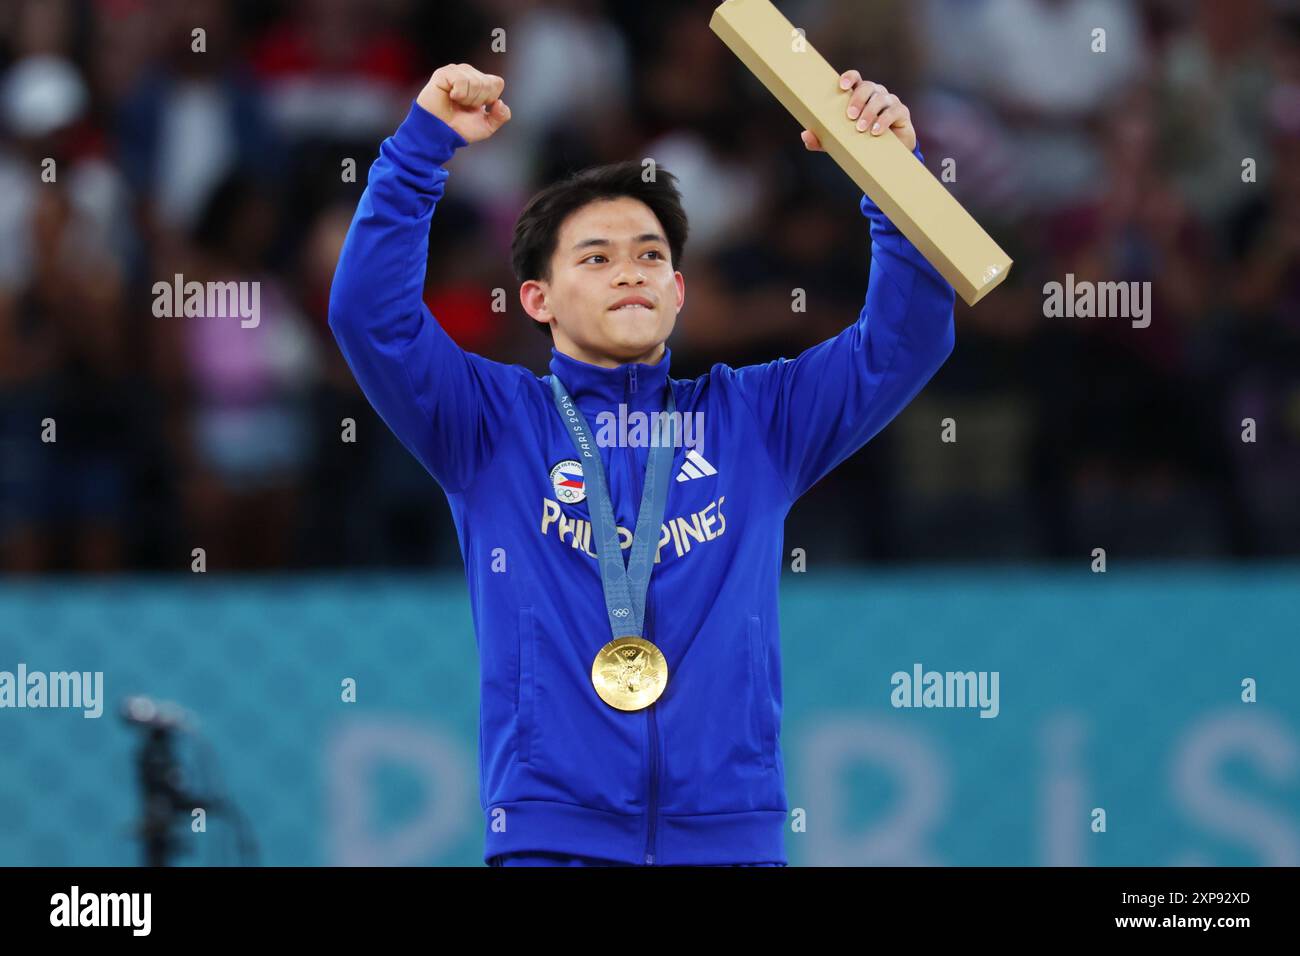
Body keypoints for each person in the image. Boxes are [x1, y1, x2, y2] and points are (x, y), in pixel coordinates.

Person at [328, 63, 955, 866]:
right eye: (594, 258)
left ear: (679, 289)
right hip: (553, 839)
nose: (630, 270)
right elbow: (367, 317)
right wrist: (419, 151)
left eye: (650, 254)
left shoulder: (755, 421)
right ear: (537, 300)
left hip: (732, 837)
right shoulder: (486, 425)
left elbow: (906, 341)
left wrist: (892, 176)